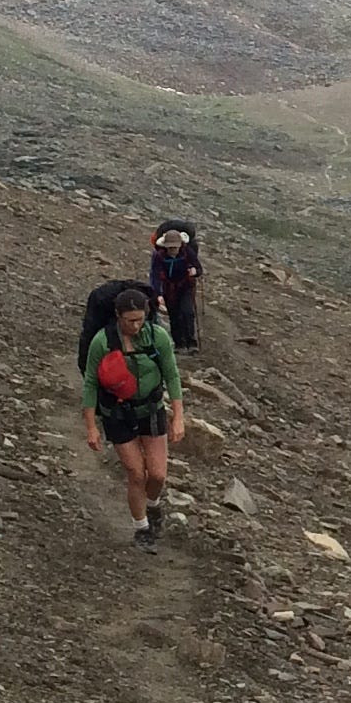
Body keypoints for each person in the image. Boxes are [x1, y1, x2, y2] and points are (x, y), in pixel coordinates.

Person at [82, 283, 185, 545]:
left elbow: (171, 375)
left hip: (150, 409)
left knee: (158, 475)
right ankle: (142, 528)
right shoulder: (102, 342)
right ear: (118, 317)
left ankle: (152, 504)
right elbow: (91, 383)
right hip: (117, 413)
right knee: (136, 473)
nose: (135, 326)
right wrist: (91, 426)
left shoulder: (158, 337)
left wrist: (178, 416)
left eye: (139, 320)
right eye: (129, 321)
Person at [149, 220, 203, 352]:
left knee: (187, 312)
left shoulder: (187, 252)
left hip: (186, 286)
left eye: (175, 247)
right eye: (170, 247)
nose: (172, 250)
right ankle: (179, 344)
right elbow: (155, 275)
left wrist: (195, 271)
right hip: (169, 288)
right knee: (174, 315)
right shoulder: (159, 256)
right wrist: (158, 294)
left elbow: (198, 268)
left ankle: (191, 343)